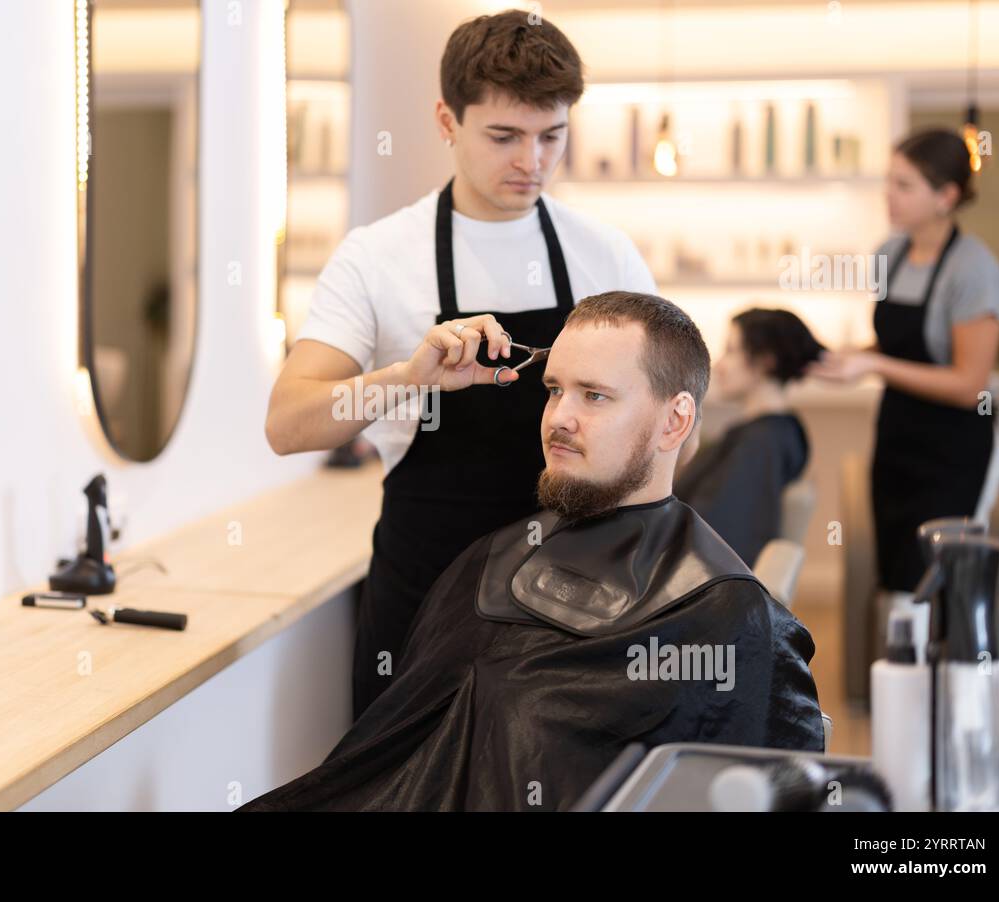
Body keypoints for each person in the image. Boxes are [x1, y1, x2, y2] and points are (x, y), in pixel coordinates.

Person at [242, 292, 824, 811]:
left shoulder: (726, 617)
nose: (559, 418)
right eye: (554, 390)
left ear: (676, 422)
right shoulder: (492, 559)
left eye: (594, 396)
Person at [265, 10, 656, 718]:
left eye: (552, 137)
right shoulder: (378, 256)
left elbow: (663, 423)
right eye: (504, 137)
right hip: (426, 596)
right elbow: (288, 425)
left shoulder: (607, 254)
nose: (531, 161)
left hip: (577, 596)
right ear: (447, 120)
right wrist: (405, 379)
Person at [808, 128, 999, 658]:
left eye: (904, 184)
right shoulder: (891, 253)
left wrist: (875, 364)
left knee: (942, 583)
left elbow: (970, 385)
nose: (888, 194)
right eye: (888, 181)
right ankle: (904, 701)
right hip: (899, 438)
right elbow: (900, 346)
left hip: (956, 452)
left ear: (945, 196)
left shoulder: (975, 272)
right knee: (898, 579)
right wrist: (857, 355)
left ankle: (953, 706)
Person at [675, 308, 824, 566]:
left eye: (731, 351)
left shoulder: (762, 442)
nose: (719, 365)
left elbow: (725, 540)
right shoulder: (770, 434)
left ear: (766, 361)